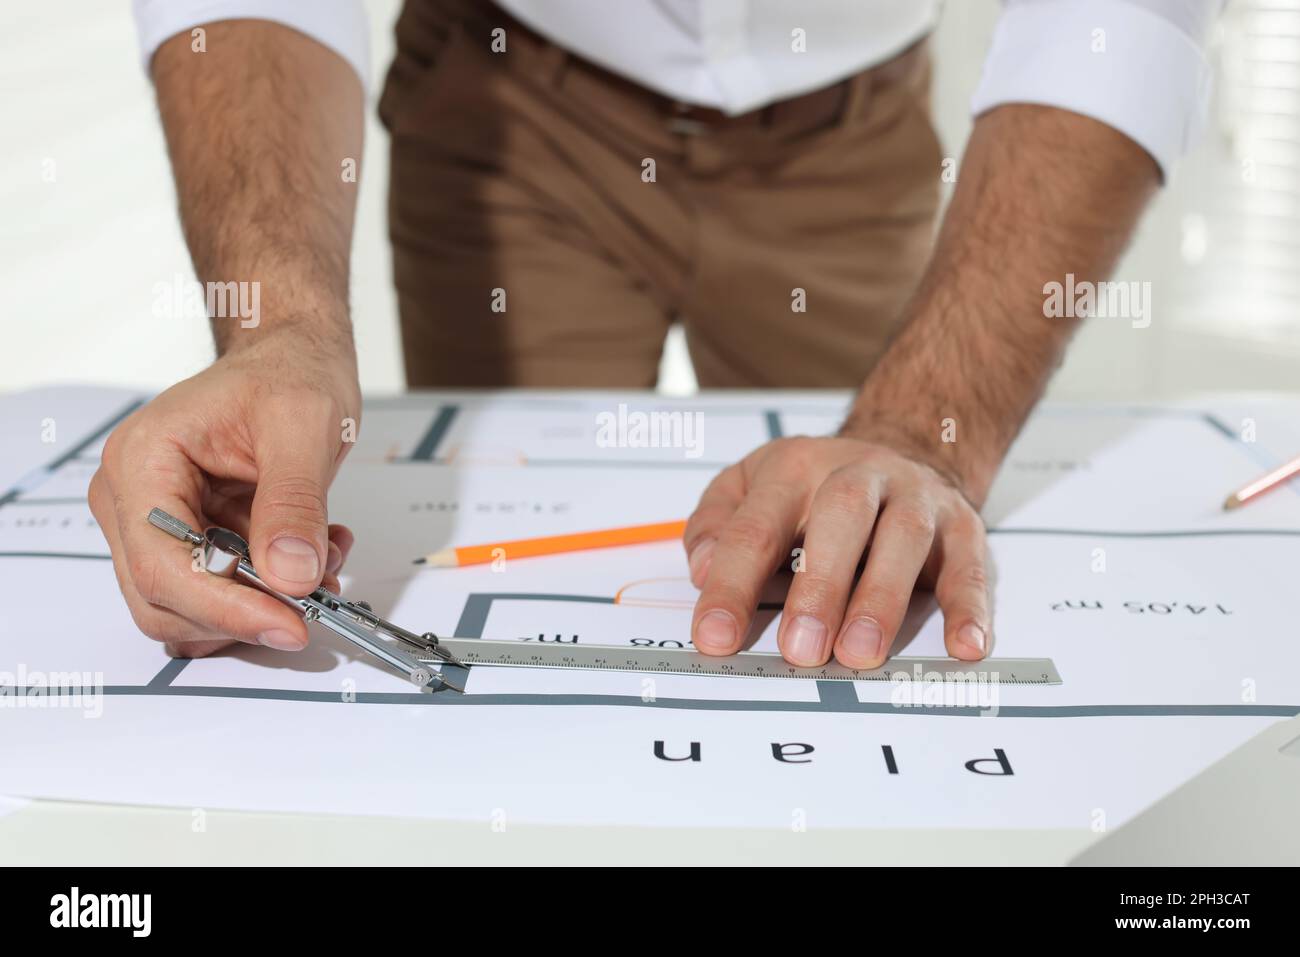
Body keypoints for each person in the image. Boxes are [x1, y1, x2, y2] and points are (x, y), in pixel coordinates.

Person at [95, 0, 1221, 667]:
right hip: (507, 102)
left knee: (863, 551)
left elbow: (1114, 18)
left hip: (848, 113)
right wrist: (277, 326)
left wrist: (929, 439)